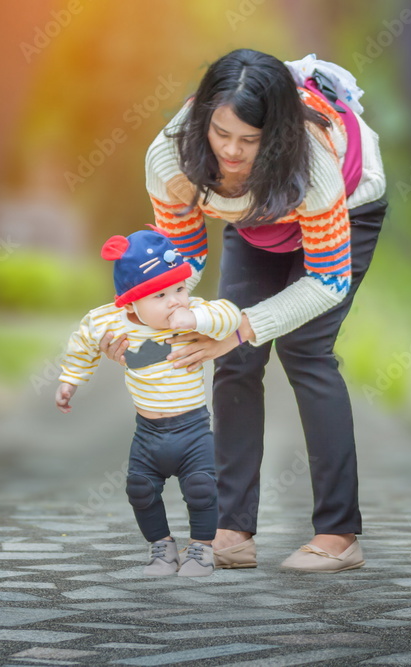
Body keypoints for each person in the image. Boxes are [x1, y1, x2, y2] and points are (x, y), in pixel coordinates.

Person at [105, 49, 388, 572]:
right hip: (258, 221)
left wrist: (238, 328)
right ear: (204, 119)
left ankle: (339, 534)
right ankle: (232, 531)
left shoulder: (314, 165)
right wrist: (154, 323)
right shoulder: (169, 159)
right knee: (233, 363)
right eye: (221, 133)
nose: (232, 152)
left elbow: (327, 282)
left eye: (249, 140)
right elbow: (182, 261)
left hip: (346, 207)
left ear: (274, 136)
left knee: (305, 352)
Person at [56, 229, 242, 577]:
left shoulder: (194, 311)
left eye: (179, 289)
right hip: (148, 433)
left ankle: (201, 549)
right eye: (161, 295)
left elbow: (230, 314)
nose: (175, 301)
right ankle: (162, 548)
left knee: (202, 488)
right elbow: (83, 341)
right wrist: (70, 381)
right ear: (131, 302)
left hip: (192, 429)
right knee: (139, 489)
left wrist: (197, 319)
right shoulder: (108, 321)